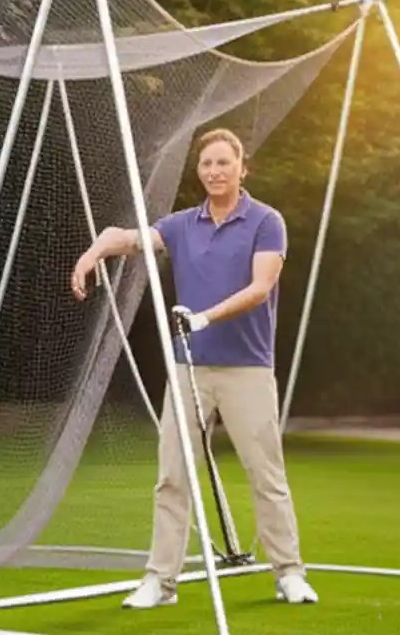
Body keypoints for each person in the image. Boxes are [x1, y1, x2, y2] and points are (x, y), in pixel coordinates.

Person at [70, 128, 318, 608]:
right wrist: (94, 251)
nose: (215, 171)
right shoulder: (183, 225)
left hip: (247, 369)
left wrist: (203, 318)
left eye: (224, 162)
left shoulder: (266, 222)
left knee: (265, 474)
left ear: (242, 168)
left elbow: (260, 288)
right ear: (199, 170)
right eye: (207, 163)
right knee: (172, 477)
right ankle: (160, 582)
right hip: (189, 371)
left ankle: (289, 573)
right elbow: (129, 238)